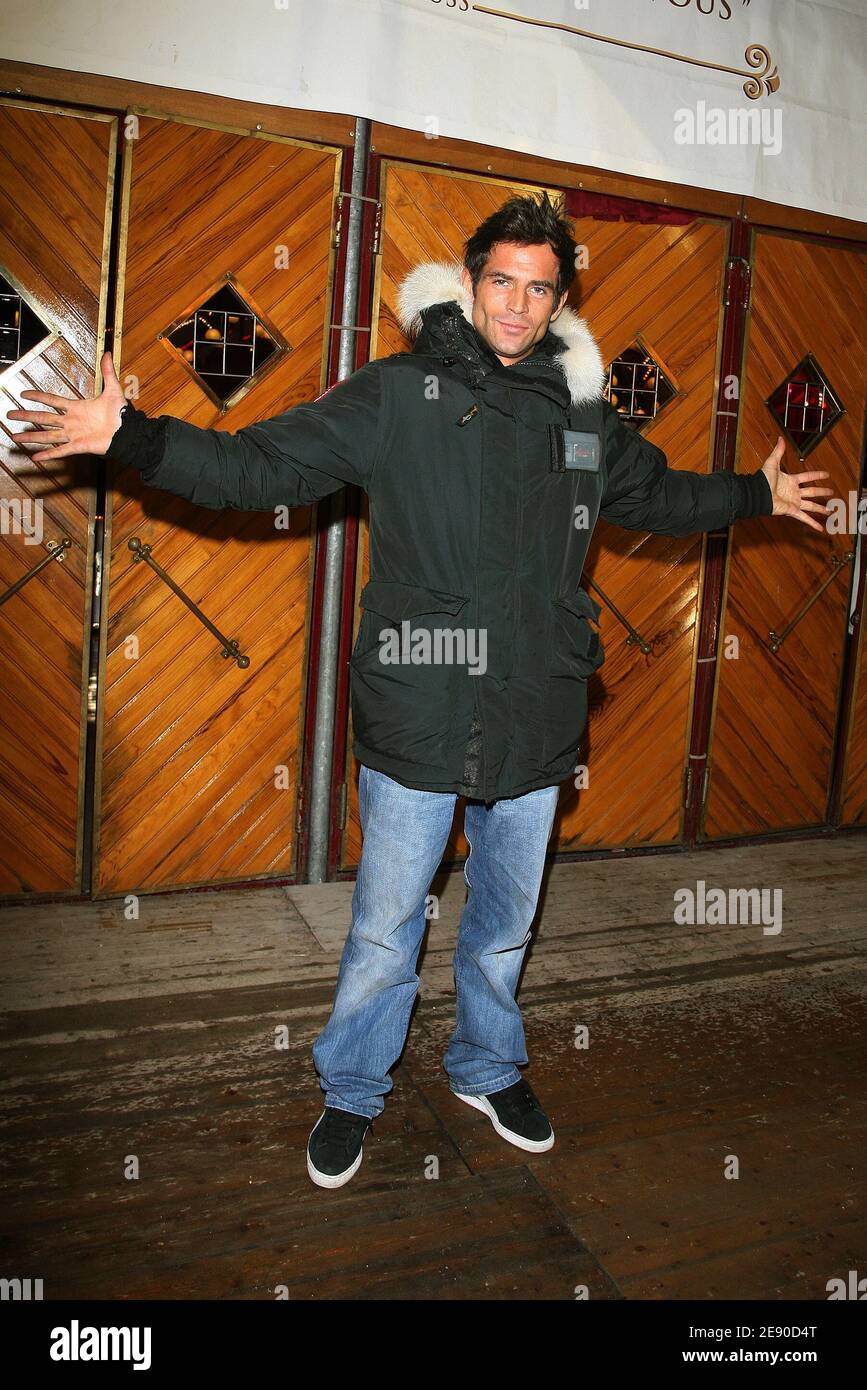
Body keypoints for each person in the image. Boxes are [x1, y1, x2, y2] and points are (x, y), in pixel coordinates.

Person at [9, 192, 832, 1190]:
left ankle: (487, 1067)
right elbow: (258, 465)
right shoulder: (398, 394)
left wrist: (756, 492)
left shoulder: (581, 411)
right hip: (422, 704)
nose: (518, 306)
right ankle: (353, 1086)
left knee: (506, 920)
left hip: (536, 706)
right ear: (470, 280)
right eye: (502, 282)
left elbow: (658, 494)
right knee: (386, 924)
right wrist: (135, 437)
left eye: (539, 289)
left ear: (560, 299)